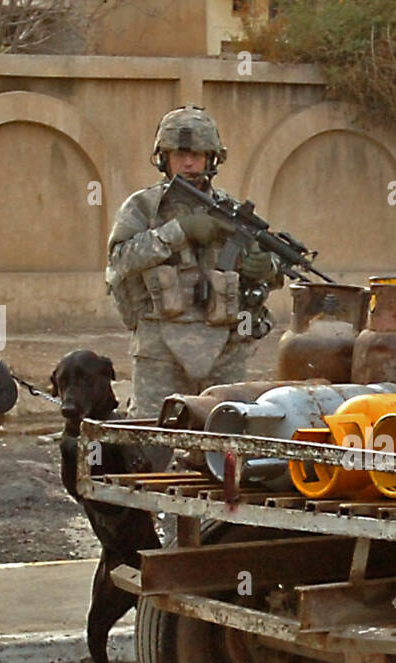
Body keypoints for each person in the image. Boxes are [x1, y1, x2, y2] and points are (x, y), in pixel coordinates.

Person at [105, 105, 281, 427]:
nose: (188, 163)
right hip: (160, 348)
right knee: (152, 440)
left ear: (211, 159)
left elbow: (272, 270)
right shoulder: (144, 207)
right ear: (164, 158)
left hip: (225, 347)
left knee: (226, 441)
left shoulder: (230, 211)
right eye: (179, 155)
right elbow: (119, 262)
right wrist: (179, 232)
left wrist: (264, 267)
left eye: (197, 155)